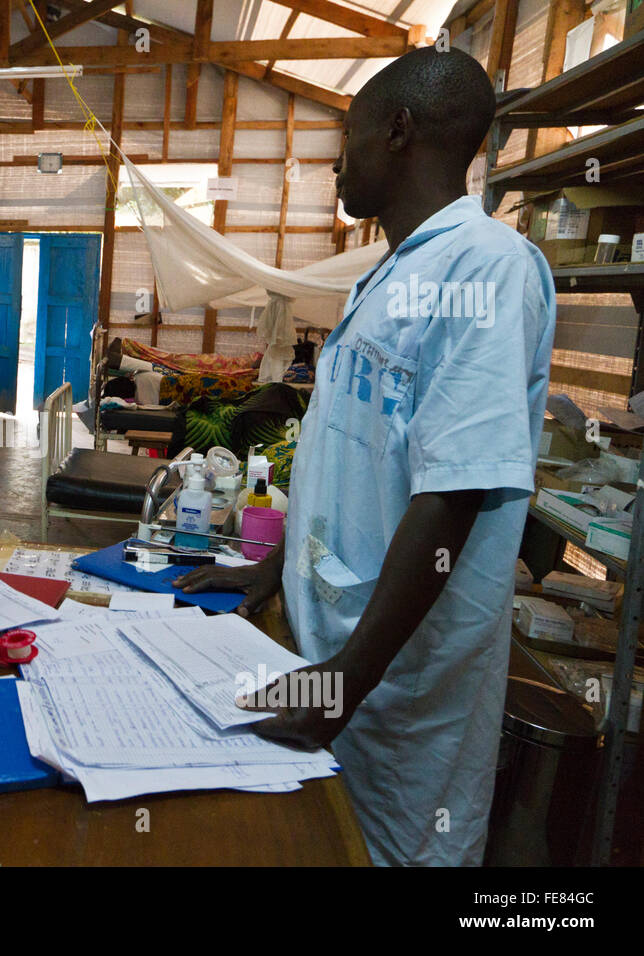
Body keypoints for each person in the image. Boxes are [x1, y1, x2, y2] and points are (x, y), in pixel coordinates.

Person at [174, 48, 556, 866]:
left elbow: (454, 492)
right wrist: (270, 570)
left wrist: (346, 680)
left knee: (393, 851)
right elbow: (344, 454)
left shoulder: (485, 268)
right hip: (335, 654)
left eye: (347, 140)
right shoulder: (382, 280)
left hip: (397, 680)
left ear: (399, 130)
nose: (337, 165)